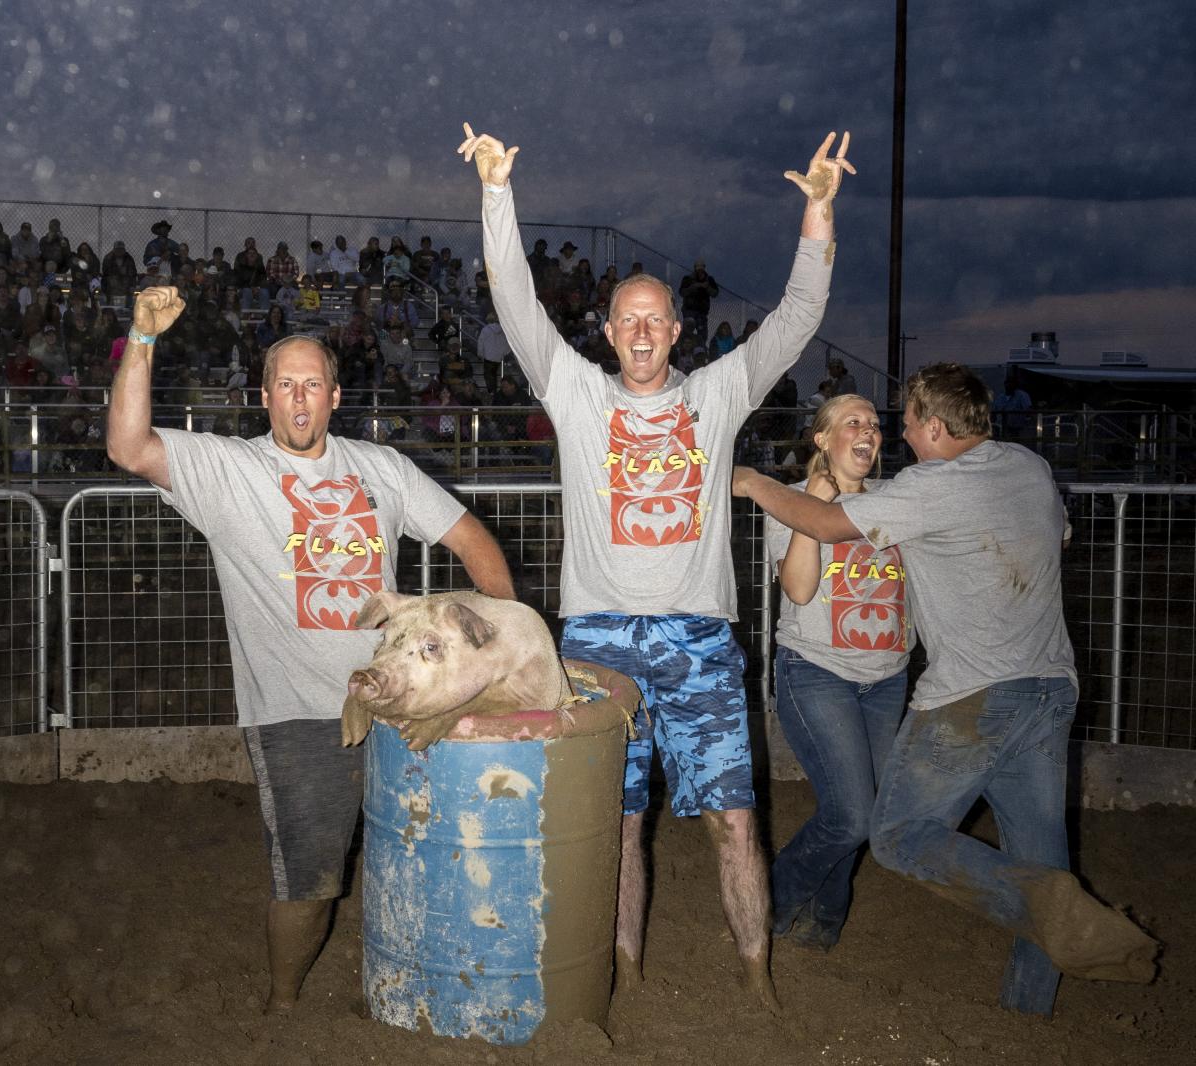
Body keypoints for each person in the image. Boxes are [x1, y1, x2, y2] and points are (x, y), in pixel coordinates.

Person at [461, 120, 853, 1008]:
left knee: (734, 820)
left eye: (655, 320)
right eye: (626, 320)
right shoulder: (575, 392)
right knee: (618, 823)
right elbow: (514, 300)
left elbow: (797, 320)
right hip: (598, 640)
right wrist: (495, 192)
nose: (641, 333)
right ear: (607, 331)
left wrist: (819, 217)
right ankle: (625, 978)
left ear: (677, 330)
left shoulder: (719, 392)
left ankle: (758, 981)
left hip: (700, 640)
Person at [106, 286, 514, 1013]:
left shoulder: (382, 468)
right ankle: (284, 1007)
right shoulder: (230, 471)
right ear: (264, 397)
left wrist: (498, 646)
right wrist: (141, 340)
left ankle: (425, 985)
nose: (300, 398)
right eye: (286, 385)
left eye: (313, 384)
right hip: (298, 717)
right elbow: (128, 447)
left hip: (406, 704)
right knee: (311, 880)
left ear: (335, 396)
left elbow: (472, 539)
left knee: (432, 852)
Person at [732, 362, 1160, 1017]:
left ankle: (1050, 906)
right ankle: (1028, 1008)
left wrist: (751, 481)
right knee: (1041, 857)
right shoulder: (1029, 467)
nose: (896, 434)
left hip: (973, 697)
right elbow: (1058, 538)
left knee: (898, 835)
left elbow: (825, 525)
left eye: (903, 423)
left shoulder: (927, 487)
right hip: (1050, 687)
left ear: (934, 427)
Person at [762, 394, 911, 953]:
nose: (868, 431)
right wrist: (814, 507)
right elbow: (799, 590)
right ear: (822, 439)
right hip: (817, 672)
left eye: (873, 424)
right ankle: (772, 902)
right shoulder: (790, 501)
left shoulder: (898, 500)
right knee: (852, 817)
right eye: (853, 422)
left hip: (888, 677)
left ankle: (825, 918)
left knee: (863, 812)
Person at [680, 258, 719, 338]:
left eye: (701, 267)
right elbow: (682, 292)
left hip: (702, 312)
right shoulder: (688, 279)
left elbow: (715, 293)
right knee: (687, 333)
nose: (700, 269)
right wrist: (693, 287)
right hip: (689, 310)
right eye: (698, 267)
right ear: (695, 268)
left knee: (702, 335)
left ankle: (700, 346)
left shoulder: (709, 280)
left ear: (704, 268)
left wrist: (707, 287)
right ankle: (686, 344)